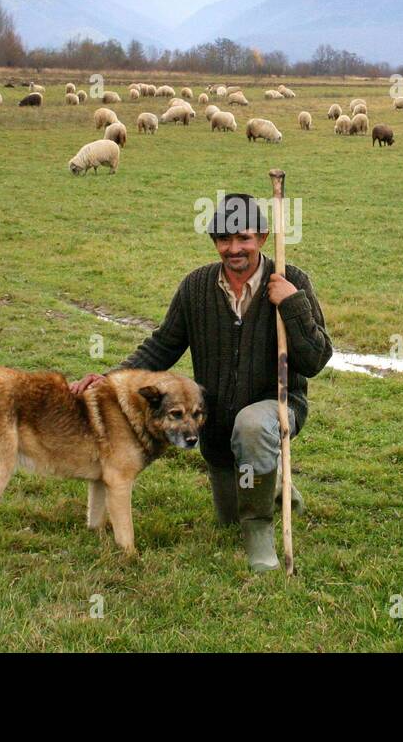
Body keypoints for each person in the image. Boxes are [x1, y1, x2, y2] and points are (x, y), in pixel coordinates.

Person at [70, 192, 333, 571]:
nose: (234, 249)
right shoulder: (196, 287)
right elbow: (163, 344)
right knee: (228, 516)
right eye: (224, 240)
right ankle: (274, 485)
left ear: (261, 237)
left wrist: (292, 304)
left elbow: (315, 360)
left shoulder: (290, 279)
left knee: (253, 429)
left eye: (243, 238)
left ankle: (260, 534)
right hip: (217, 428)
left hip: (275, 407)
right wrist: (109, 380)